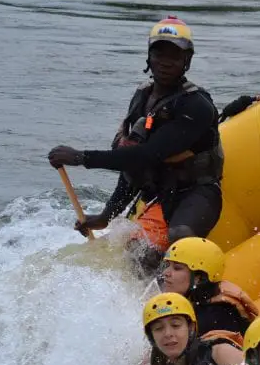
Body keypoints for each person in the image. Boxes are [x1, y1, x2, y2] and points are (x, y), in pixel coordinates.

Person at [48, 16, 225, 271]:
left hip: (197, 193)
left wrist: (82, 158)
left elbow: (147, 155)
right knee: (137, 255)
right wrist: (106, 217)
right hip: (159, 193)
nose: (165, 63)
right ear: (149, 57)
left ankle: (194, 295)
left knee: (180, 238)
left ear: (187, 60)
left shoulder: (196, 106)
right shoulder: (143, 96)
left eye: (174, 56)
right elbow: (133, 163)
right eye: (159, 54)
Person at [142, 293, 246, 365]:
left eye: (176, 325)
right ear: (151, 337)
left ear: (190, 328)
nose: (168, 334)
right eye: (158, 328)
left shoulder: (219, 352)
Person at [161, 237, 257, 337]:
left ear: (199, 278)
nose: (165, 273)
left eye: (177, 268)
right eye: (168, 266)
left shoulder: (215, 317)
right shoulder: (198, 303)